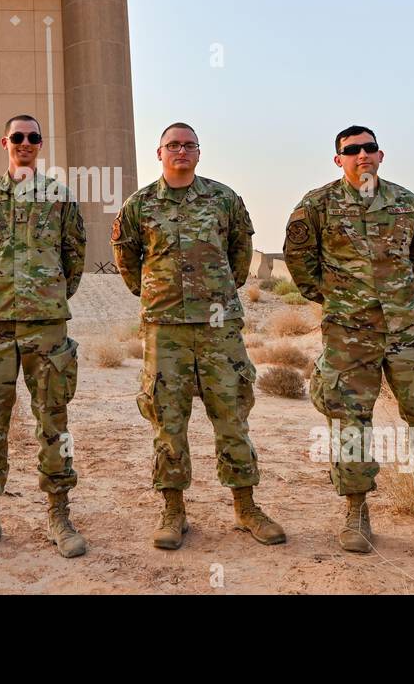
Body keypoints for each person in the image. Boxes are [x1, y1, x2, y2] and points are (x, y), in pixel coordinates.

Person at [284, 125, 414, 556]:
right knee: (350, 420)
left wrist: (397, 296)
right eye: (352, 150)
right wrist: (337, 300)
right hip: (350, 332)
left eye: (369, 148)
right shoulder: (316, 206)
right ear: (339, 159)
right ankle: (355, 510)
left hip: (409, 330)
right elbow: (300, 262)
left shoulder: (407, 203)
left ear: (381, 155)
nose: (362, 155)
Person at [112, 122, 286, 550]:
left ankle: (246, 507)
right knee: (167, 421)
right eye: (173, 145)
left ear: (199, 152)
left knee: (231, 417)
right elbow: (127, 261)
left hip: (217, 327)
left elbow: (240, 256)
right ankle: (173, 510)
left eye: (189, 145)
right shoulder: (140, 205)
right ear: (159, 153)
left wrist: (218, 292)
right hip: (164, 328)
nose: (181, 151)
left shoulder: (224, 200)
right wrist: (158, 294)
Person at [0, 115, 88, 558]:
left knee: (53, 420)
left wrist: (50, 294)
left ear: (41, 145)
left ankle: (59, 515)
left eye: (34, 137)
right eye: (18, 137)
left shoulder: (59, 195)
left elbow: (75, 252)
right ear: (5, 142)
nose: (26, 143)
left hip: (47, 325)